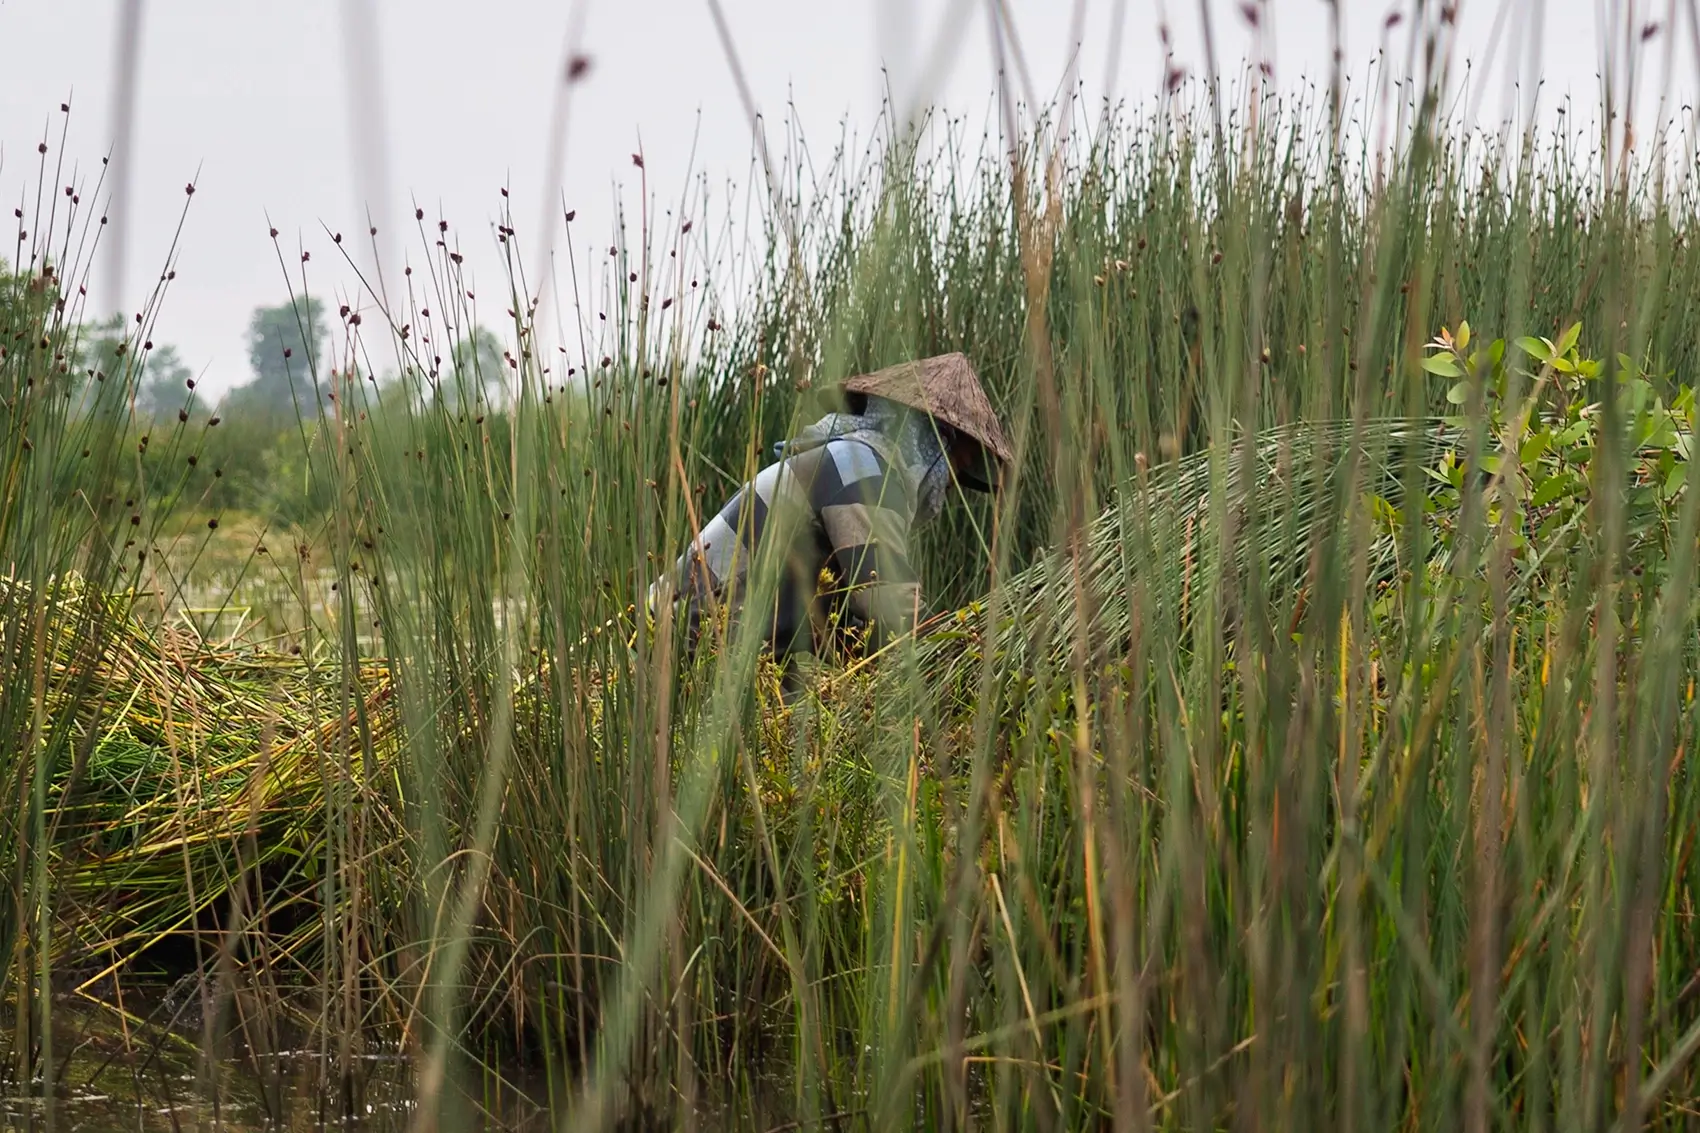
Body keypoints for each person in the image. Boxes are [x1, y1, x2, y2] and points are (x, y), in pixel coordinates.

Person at [649, 352, 1012, 670]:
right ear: (933, 441)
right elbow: (888, 601)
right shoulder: (864, 470)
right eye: (954, 465)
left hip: (719, 649)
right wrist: (965, 650)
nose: (950, 484)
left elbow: (840, 623)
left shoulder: (856, 459)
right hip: (677, 641)